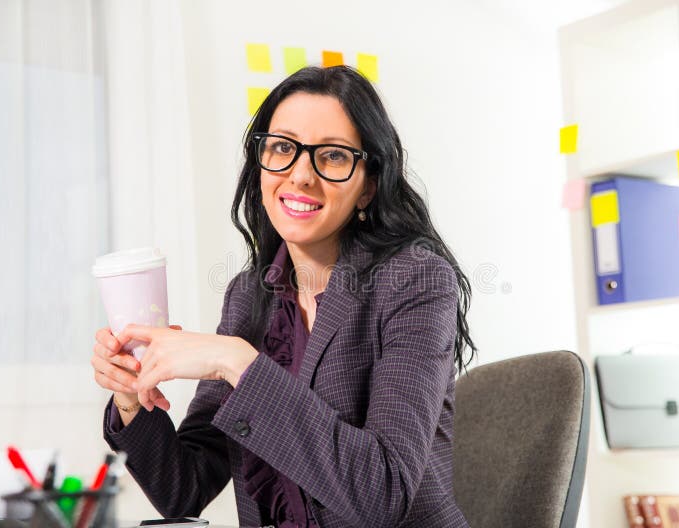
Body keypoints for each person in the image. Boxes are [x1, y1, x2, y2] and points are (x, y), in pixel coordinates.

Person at [91, 65, 476, 528]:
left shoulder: (415, 281)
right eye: (283, 148)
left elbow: (382, 495)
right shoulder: (248, 296)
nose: (300, 175)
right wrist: (131, 396)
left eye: (332, 156)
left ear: (367, 186)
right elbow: (184, 489)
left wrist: (236, 361)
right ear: (261, 164)